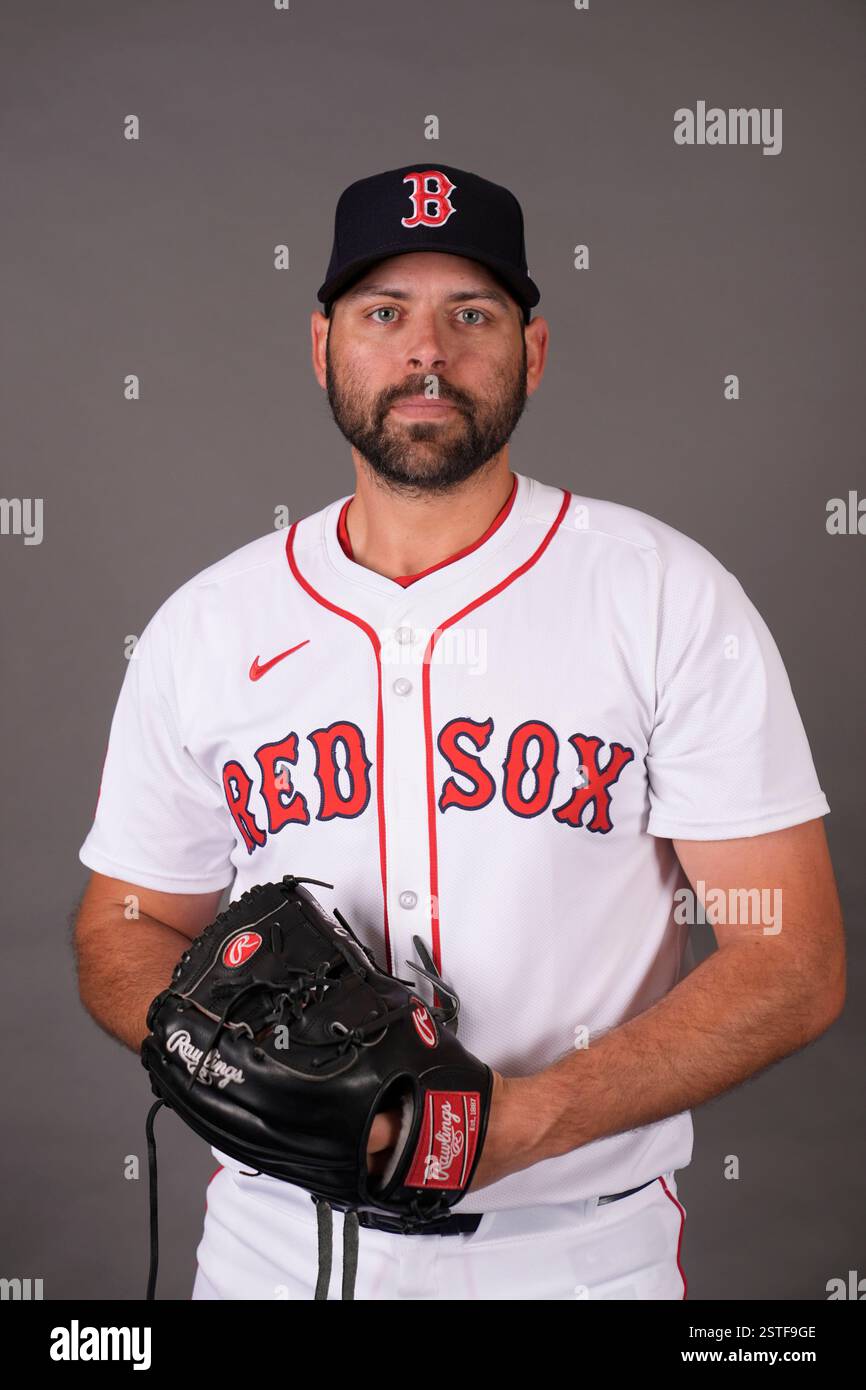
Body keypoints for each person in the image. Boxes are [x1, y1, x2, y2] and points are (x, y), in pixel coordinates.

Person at [74, 164, 845, 1300]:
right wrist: (217, 1052)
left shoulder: (662, 594)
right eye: (383, 312)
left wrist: (512, 1124)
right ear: (322, 345)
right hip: (275, 1251)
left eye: (469, 315)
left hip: (576, 1254)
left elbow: (791, 960)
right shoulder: (206, 624)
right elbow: (124, 920)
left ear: (531, 352)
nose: (424, 351)